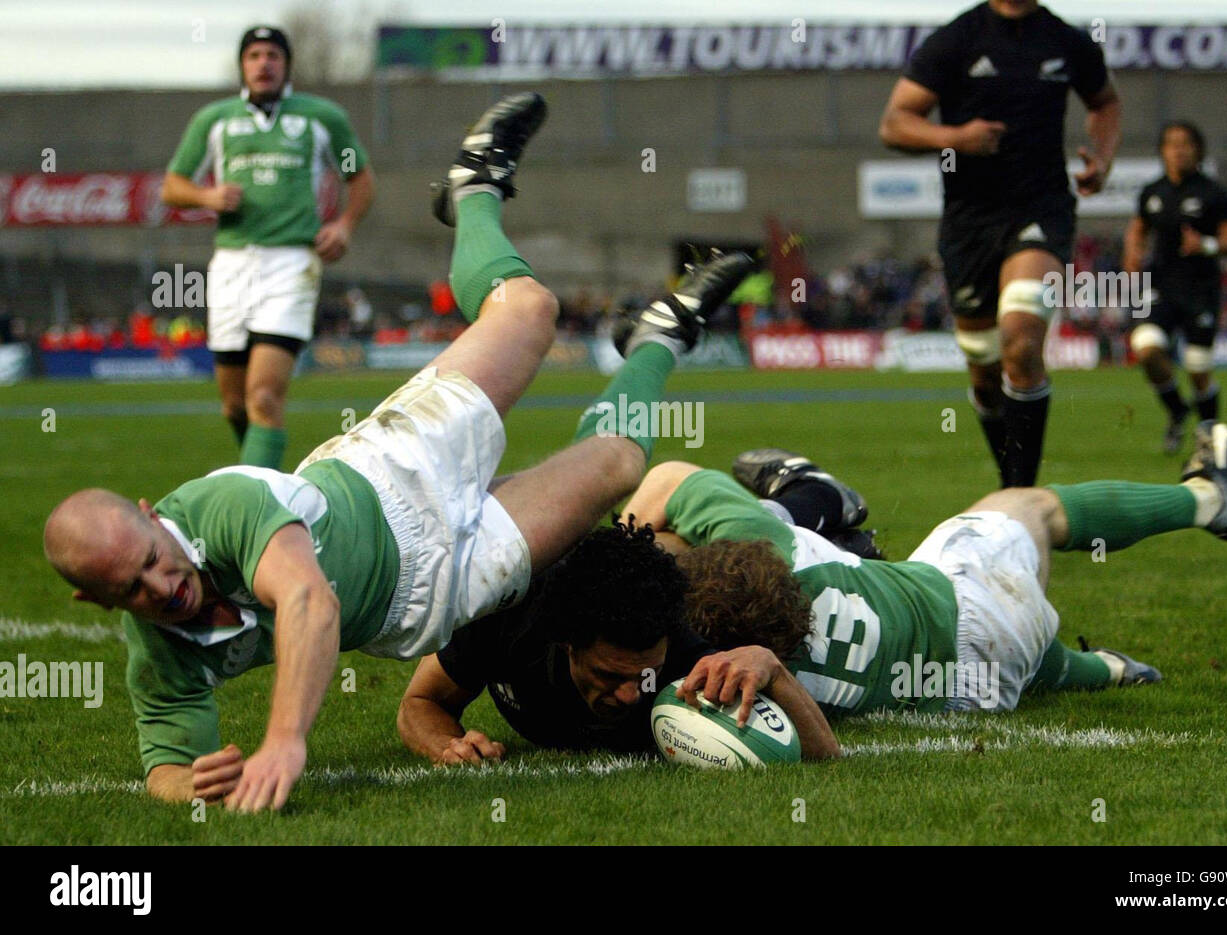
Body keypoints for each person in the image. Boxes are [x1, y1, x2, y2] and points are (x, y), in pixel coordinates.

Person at [43, 93, 755, 812]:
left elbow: (308, 598)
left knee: (531, 310)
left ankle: (474, 187)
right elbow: (164, 762)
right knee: (618, 465)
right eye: (129, 590)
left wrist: (286, 737)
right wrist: (187, 782)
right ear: (94, 601)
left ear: (147, 515)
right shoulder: (159, 650)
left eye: (150, 559)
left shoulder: (216, 511)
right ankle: (662, 335)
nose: (159, 586)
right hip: (433, 596)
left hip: (395, 471)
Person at [620, 422, 1227, 716]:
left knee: (1019, 657)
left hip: (966, 691)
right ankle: (1210, 501)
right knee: (1029, 507)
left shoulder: (715, 677)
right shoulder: (765, 546)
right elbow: (669, 477)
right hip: (971, 603)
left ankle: (1113, 670)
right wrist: (617, 549)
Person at [880, 0, 1121, 487]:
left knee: (1021, 339)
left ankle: (1020, 495)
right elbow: (894, 123)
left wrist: (1102, 156)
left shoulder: (1066, 41)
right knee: (985, 376)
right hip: (969, 223)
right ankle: (1011, 481)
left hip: (1042, 210)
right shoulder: (954, 40)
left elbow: (1105, 102)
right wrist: (955, 137)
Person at [397, 520, 841, 765]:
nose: (631, 695)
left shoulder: (691, 657)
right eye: (609, 675)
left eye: (645, 676)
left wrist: (771, 666)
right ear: (567, 642)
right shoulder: (503, 617)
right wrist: (445, 745)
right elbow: (422, 700)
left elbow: (824, 757)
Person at [160, 25, 376, 469]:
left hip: (292, 263)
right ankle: (264, 480)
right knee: (235, 406)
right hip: (231, 266)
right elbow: (171, 186)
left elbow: (362, 178)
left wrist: (345, 225)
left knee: (263, 396)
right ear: (243, 65)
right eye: (255, 55)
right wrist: (206, 197)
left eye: (273, 55)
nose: (264, 63)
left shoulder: (321, 116)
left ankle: (264, 507)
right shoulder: (214, 119)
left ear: (287, 65)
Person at [1123, 121, 1227, 453]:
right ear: (1163, 151)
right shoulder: (1152, 192)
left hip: (1200, 290)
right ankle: (1178, 410)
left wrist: (1206, 245)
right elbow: (1138, 228)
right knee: (1146, 348)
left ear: (1198, 150)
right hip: (1160, 286)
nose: (1178, 150)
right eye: (1171, 144)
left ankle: (1209, 436)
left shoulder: (1214, 194)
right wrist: (1133, 252)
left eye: (1185, 143)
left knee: (1197, 368)